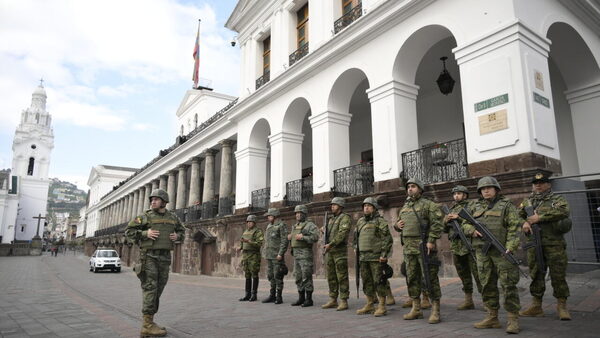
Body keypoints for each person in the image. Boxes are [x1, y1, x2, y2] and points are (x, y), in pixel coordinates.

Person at [461, 176, 523, 334]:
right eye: (482, 189)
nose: (486, 190)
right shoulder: (474, 206)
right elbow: (464, 223)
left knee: (508, 285)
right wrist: (471, 231)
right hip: (482, 252)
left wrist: (510, 247)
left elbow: (514, 227)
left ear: (496, 189)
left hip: (502, 251)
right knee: (486, 284)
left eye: (489, 188)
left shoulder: (506, 205)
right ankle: (492, 317)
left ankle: (512, 319)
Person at [125, 189, 186, 337]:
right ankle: (146, 325)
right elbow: (128, 232)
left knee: (159, 289)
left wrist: (177, 236)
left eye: (156, 199)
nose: (152, 201)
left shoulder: (173, 217)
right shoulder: (145, 217)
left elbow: (182, 232)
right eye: (151, 199)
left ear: (164, 202)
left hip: (165, 258)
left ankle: (150, 321)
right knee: (150, 288)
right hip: (149, 257)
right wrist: (145, 233)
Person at [519, 172, 572, 320]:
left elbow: (564, 211)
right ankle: (536, 306)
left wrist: (540, 217)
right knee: (536, 274)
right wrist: (523, 222)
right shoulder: (528, 201)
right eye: (536, 183)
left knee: (558, 274)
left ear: (548, 184)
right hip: (534, 244)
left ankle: (562, 306)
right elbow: (517, 215)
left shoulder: (557, 199)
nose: (538, 185)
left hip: (554, 243)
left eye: (542, 182)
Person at [396, 178, 443, 324]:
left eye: (413, 186)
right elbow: (398, 224)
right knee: (412, 277)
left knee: (429, 277)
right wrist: (397, 225)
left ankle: (435, 309)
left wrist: (431, 240)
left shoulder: (429, 205)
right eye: (408, 187)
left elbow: (437, 224)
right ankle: (416, 308)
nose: (410, 189)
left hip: (423, 247)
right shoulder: (405, 206)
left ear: (420, 189)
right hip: (408, 248)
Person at [444, 185, 482, 310]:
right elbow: (444, 229)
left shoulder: (472, 206)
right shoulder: (451, 208)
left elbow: (474, 221)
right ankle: (468, 300)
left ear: (465, 195)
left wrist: (458, 218)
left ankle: (487, 301)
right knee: (463, 274)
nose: (456, 196)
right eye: (454, 194)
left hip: (469, 245)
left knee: (478, 274)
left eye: (459, 193)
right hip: (456, 246)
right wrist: (445, 220)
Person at [353, 197, 393, 317]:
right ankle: (370, 303)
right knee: (366, 281)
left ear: (374, 208)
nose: (366, 208)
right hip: (363, 257)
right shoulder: (360, 221)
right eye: (364, 206)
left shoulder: (380, 221)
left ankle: (382, 306)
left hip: (376, 257)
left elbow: (387, 239)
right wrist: (356, 247)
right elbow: (356, 238)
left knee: (379, 281)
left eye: (369, 206)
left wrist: (384, 255)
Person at [322, 197, 352, 311]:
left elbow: (342, 234)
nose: (332, 207)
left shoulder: (345, 218)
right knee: (331, 277)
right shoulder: (331, 219)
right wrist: (324, 230)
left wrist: (331, 244)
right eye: (332, 205)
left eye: (334, 205)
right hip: (330, 252)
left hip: (339, 252)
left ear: (340, 206)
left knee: (342, 277)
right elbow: (330, 233)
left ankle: (344, 300)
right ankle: (333, 299)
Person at [288, 204, 319, 307]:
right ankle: (301, 298)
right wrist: (290, 238)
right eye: (296, 213)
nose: (297, 215)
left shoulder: (310, 225)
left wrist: (303, 237)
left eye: (299, 213)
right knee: (298, 277)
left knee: (306, 276)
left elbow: (315, 237)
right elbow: (294, 238)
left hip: (305, 254)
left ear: (304, 214)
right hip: (296, 255)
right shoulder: (295, 226)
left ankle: (309, 299)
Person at [261, 208, 288, 304]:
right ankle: (272, 295)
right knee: (270, 276)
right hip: (269, 255)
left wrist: (281, 253)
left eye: (270, 216)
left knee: (278, 276)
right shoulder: (269, 226)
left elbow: (284, 241)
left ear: (275, 216)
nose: (268, 217)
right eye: (268, 216)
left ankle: (279, 296)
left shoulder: (281, 225)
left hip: (277, 256)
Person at [237, 214, 264, 302]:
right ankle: (247, 294)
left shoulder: (258, 231)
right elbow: (242, 241)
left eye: (250, 222)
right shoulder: (245, 231)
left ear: (254, 223)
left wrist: (249, 241)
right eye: (248, 222)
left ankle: (254, 294)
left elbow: (259, 244)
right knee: (247, 275)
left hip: (254, 256)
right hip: (246, 256)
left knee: (254, 274)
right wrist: (240, 247)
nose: (248, 224)